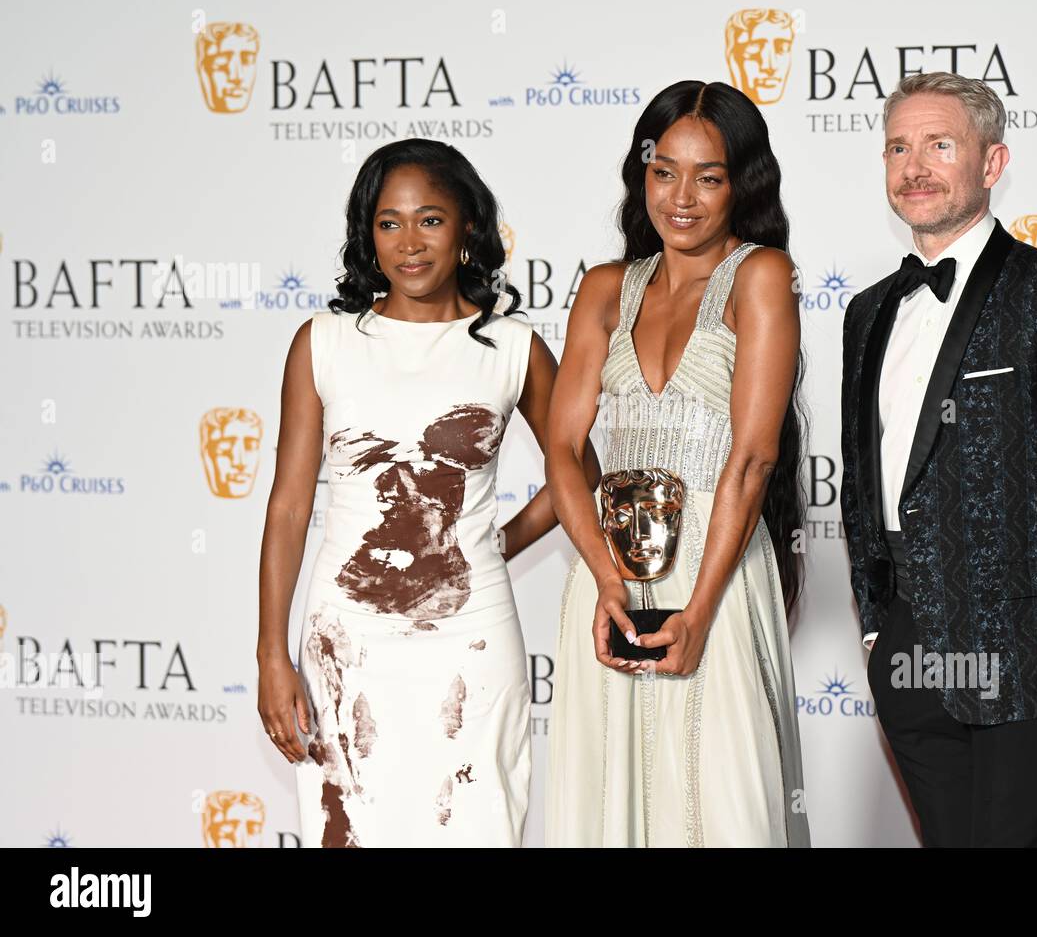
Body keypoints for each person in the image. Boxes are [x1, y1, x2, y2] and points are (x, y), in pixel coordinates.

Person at [255, 138, 596, 847]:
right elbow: (288, 507)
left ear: (468, 226)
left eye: (430, 220)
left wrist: (497, 544)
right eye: (389, 222)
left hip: (470, 637)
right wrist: (270, 654)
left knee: (472, 820)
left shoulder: (512, 347)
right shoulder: (323, 342)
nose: (409, 243)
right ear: (367, 233)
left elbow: (580, 473)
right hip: (347, 640)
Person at [840, 72, 1037, 846]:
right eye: (899, 147)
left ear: (993, 161)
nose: (915, 166)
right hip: (910, 652)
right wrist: (878, 629)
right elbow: (864, 474)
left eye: (941, 145)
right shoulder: (868, 310)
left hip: (1031, 652)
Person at [544, 80, 811, 847]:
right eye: (664, 172)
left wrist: (696, 609)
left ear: (743, 182)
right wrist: (604, 577)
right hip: (608, 578)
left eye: (709, 175)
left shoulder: (759, 277)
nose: (682, 197)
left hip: (714, 573)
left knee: (723, 798)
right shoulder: (602, 289)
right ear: (642, 175)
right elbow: (564, 449)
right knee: (607, 797)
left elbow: (754, 460)